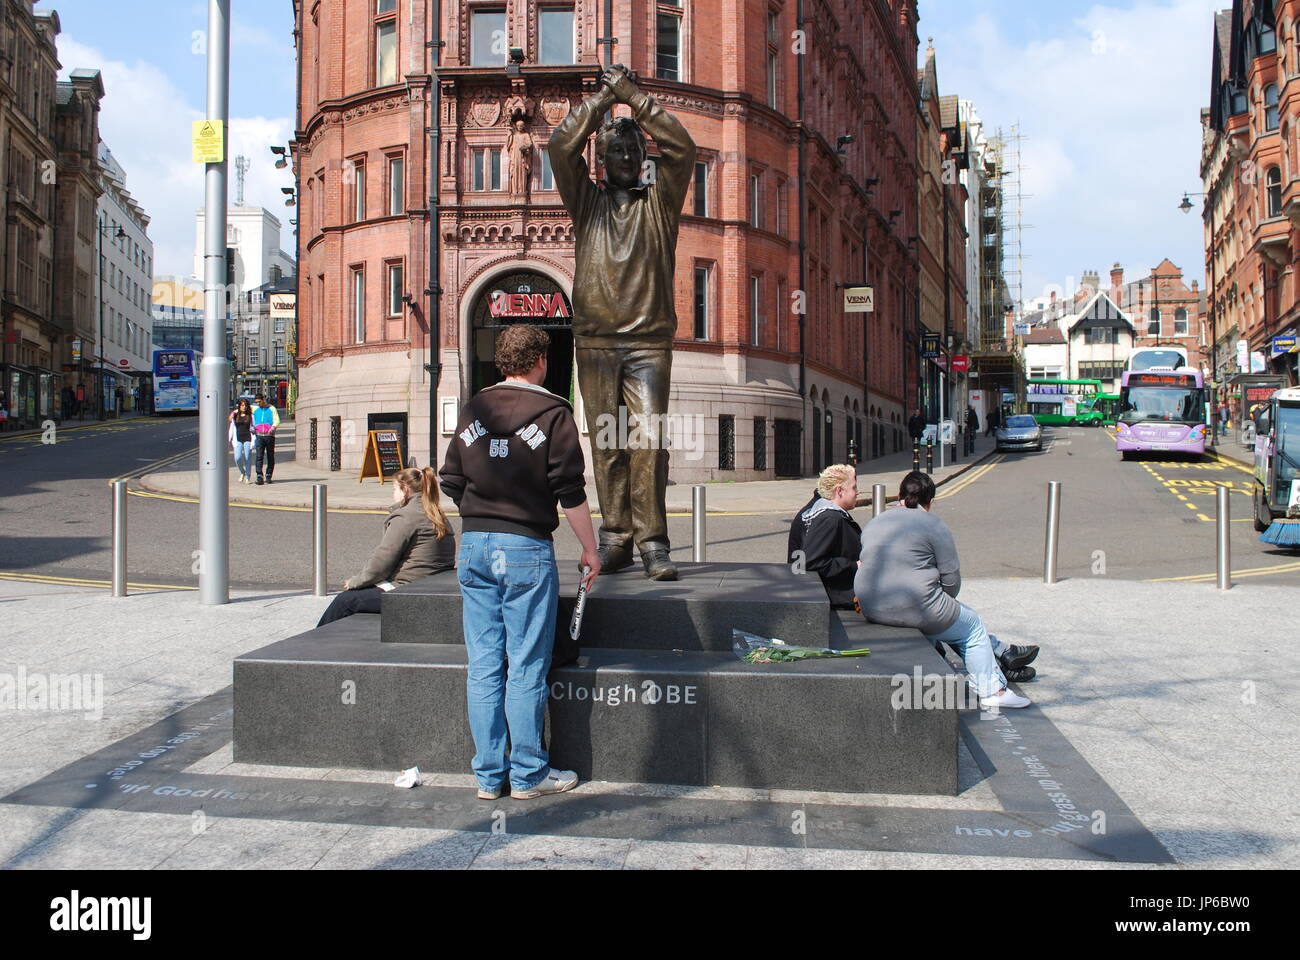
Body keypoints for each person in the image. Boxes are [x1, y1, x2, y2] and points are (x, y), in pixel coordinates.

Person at [439, 324, 601, 802]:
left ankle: (490, 777)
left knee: (484, 665)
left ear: (501, 361)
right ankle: (528, 774)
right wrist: (590, 550)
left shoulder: (474, 409)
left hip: (474, 545)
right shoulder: (553, 412)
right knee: (526, 665)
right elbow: (569, 490)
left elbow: (450, 479)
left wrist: (482, 506)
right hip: (525, 547)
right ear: (540, 362)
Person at [549, 63, 696, 582]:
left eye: (634, 150)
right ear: (602, 158)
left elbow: (683, 149)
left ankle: (654, 541)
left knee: (648, 442)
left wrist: (633, 99)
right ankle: (616, 537)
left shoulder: (661, 202)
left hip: (648, 343)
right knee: (607, 444)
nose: (628, 157)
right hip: (594, 342)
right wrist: (597, 104)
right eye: (616, 150)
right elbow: (560, 147)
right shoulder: (585, 203)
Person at [855, 472, 1040, 710]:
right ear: (930, 500)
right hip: (916, 606)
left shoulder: (877, 521)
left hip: (870, 605)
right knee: (972, 626)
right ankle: (993, 690)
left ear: (900, 496)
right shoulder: (934, 525)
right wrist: (940, 602)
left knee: (943, 618)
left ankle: (999, 662)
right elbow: (952, 582)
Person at [317, 467, 455, 627]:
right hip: (431, 586)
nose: (393, 494)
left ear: (406, 489)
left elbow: (383, 560)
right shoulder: (436, 514)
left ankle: (311, 647)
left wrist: (356, 581)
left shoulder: (406, 516)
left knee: (345, 600)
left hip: (408, 589)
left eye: (394, 488)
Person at [789, 464, 863, 610]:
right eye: (854, 487)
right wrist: (854, 565)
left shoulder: (818, 510)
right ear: (839, 491)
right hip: (833, 600)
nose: (857, 492)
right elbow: (810, 562)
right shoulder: (829, 518)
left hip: (823, 595)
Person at [252, 394, 280, 484]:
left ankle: (268, 475)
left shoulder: (272, 408)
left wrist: (273, 428)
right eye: (256, 402)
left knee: (270, 456)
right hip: (259, 436)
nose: (258, 404)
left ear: (264, 399)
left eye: (259, 402)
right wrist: (233, 413)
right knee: (259, 456)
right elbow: (241, 410)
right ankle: (259, 475)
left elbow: (277, 420)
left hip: (269, 436)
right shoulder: (255, 409)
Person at [228, 398, 255, 484]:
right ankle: (242, 472)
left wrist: (254, 439)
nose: (244, 407)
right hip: (238, 439)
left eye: (246, 405)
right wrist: (229, 439)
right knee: (237, 457)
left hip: (248, 438)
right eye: (242, 405)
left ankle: (247, 476)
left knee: (247, 458)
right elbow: (231, 428)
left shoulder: (251, 416)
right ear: (239, 406)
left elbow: (253, 428)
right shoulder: (235, 416)